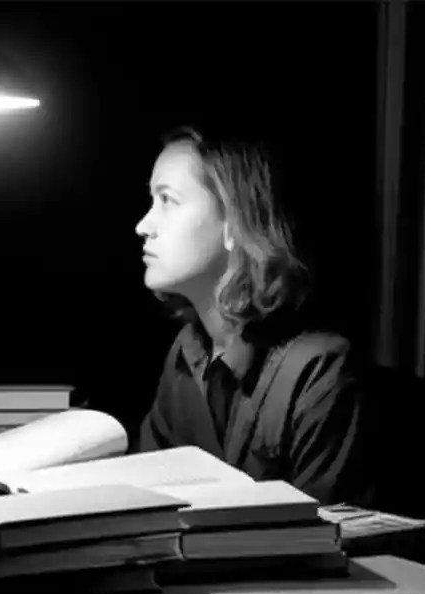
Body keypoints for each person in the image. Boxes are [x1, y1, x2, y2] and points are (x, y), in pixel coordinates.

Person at [132, 124, 367, 505]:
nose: (144, 226)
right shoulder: (186, 355)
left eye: (168, 201)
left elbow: (327, 541)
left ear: (234, 222)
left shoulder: (319, 370)